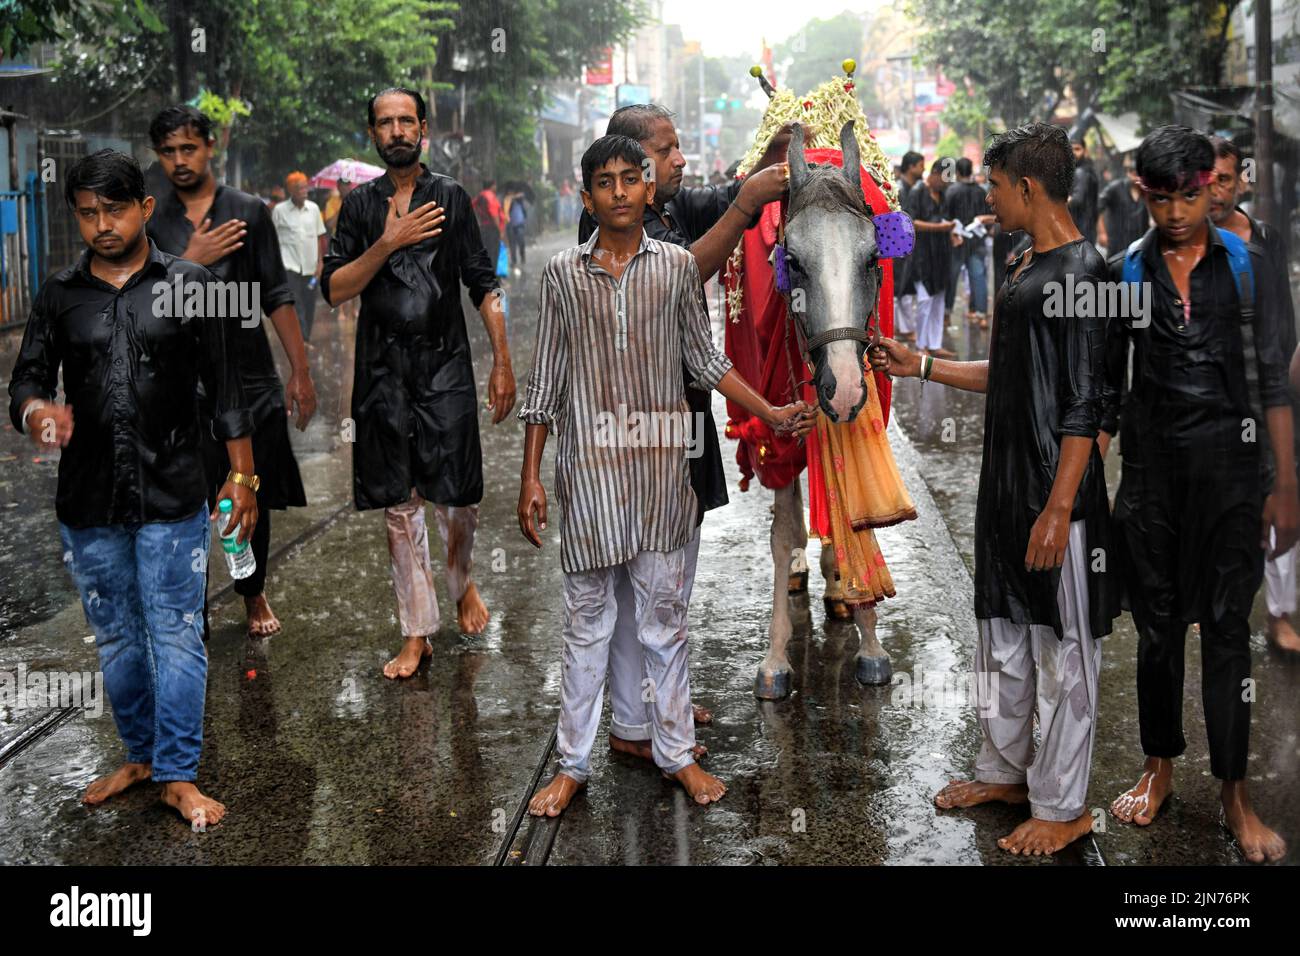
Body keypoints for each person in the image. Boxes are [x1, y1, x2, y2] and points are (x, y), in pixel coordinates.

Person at [517, 134, 813, 815]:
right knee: (585, 626)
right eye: (605, 181)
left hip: (659, 475)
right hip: (589, 477)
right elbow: (545, 383)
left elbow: (704, 362)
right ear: (586, 194)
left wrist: (769, 409)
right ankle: (572, 764)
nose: (619, 191)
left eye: (631, 179)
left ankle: (677, 754)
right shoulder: (563, 275)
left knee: (663, 624)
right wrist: (531, 476)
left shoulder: (678, 268)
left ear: (650, 190)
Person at [871, 123, 1120, 856]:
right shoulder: (1020, 262)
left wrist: (1060, 507)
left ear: (1029, 187)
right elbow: (1004, 373)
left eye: (996, 183)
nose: (988, 194)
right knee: (1004, 636)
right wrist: (919, 366)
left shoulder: (1087, 274)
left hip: (1056, 498)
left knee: (1066, 652)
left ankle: (1066, 804)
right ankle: (1007, 772)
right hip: (1007, 489)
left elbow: (1086, 403)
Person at [8, 149, 258, 827]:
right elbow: (26, 379)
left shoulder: (193, 284)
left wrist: (242, 476)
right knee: (117, 638)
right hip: (88, 501)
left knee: (175, 631)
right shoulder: (60, 293)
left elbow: (228, 391)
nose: (102, 226)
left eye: (114, 210)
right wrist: (38, 414)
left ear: (146, 209)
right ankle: (142, 754)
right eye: (87, 214)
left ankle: (179, 774)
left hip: (174, 490)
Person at [1100, 125, 1294, 863]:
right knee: (1155, 635)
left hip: (1232, 480)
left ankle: (1235, 794)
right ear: (1142, 195)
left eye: (1191, 194)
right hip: (1150, 486)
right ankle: (1157, 768)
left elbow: (1273, 378)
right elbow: (1102, 392)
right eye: (1163, 198)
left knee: (1226, 639)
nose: (1178, 212)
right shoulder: (1121, 276)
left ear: (1211, 186)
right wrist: (1077, 491)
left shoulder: (1248, 264)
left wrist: (1287, 485)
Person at [576, 102, 792, 761]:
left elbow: (729, 195)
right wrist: (743, 208)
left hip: (685, 408)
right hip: (636, 421)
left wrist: (772, 155)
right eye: (667, 150)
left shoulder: (670, 207)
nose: (680, 159)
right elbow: (680, 273)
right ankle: (636, 723)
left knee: (676, 563)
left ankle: (658, 698)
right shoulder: (612, 225)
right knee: (639, 575)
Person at [321, 87, 516, 679]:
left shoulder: (452, 197)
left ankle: (460, 582)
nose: (397, 130)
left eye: (407, 120)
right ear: (373, 135)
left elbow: (483, 281)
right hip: (382, 375)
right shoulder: (357, 208)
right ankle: (416, 631)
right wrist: (389, 241)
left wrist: (502, 360)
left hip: (446, 367)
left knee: (457, 496)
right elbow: (334, 289)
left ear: (424, 129)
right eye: (386, 122)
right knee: (399, 505)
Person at [147, 105, 315, 640]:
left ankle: (252, 590)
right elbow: (147, 305)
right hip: (180, 387)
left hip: (248, 380)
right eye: (168, 152)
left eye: (188, 148)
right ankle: (190, 603)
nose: (179, 160)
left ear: (210, 146)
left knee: (246, 492)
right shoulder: (154, 222)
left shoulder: (248, 211)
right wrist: (191, 256)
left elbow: (276, 294)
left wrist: (301, 371)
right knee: (188, 499)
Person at [1206, 135, 1300, 655]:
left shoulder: (1264, 239)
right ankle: (1212, 597)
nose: (1215, 191)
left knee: (1280, 491)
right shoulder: (1183, 242)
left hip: (1267, 393)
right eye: (1206, 181)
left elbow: (1282, 318)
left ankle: (1280, 614)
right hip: (1210, 398)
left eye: (1224, 179)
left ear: (1242, 180)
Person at [901, 158, 958, 359]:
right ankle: (920, 345)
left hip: (941, 254)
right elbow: (911, 222)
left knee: (939, 299)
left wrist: (952, 233)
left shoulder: (942, 195)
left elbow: (946, 220)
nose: (944, 185)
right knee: (925, 300)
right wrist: (940, 228)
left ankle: (935, 344)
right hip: (922, 255)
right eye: (942, 181)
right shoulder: (918, 192)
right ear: (933, 174)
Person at [272, 171, 328, 342]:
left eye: (305, 187)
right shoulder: (279, 211)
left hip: (311, 269)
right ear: (291, 191)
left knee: (309, 304)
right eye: (300, 188)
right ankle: (301, 340)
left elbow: (320, 237)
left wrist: (320, 263)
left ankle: (306, 337)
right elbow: (272, 239)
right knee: (297, 304)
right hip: (289, 266)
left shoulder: (314, 209)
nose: (304, 191)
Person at [942, 156, 993, 328]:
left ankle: (947, 314)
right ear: (971, 171)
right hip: (977, 241)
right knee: (978, 277)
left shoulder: (951, 191)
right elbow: (988, 215)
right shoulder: (980, 191)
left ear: (956, 171)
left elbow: (946, 217)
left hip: (956, 241)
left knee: (951, 278)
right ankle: (982, 315)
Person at [893, 150, 925, 345]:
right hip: (899, 247)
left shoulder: (914, 188)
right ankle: (897, 328)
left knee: (906, 289)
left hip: (909, 247)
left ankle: (904, 328)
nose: (923, 169)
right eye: (921, 165)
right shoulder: (899, 189)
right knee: (898, 288)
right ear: (911, 166)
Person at [1096, 155, 1149, 257]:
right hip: (1118, 242)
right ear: (1128, 173)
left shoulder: (1146, 191)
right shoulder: (1115, 188)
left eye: (1139, 175)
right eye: (1133, 173)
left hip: (1140, 243)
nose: (1136, 178)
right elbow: (1098, 207)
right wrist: (1101, 232)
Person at [1068, 135, 1100, 246]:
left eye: (1077, 149)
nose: (1073, 153)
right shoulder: (1087, 169)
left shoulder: (1081, 172)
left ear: (1085, 151)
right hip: (1086, 229)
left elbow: (1076, 200)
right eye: (1070, 149)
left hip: (1081, 230)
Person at [472, 177, 506, 276]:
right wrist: (500, 230)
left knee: (486, 252)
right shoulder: (490, 197)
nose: (496, 187)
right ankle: (492, 276)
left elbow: (470, 206)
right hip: (492, 229)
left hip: (483, 228)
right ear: (492, 186)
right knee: (493, 253)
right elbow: (494, 215)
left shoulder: (480, 196)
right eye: (495, 185)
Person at [505, 187, 528, 274]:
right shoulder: (507, 201)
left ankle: (522, 257)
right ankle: (514, 261)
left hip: (519, 225)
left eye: (512, 192)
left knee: (521, 242)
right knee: (512, 244)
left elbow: (523, 194)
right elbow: (505, 211)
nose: (510, 194)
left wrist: (513, 197)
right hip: (510, 225)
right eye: (509, 193)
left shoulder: (519, 200)